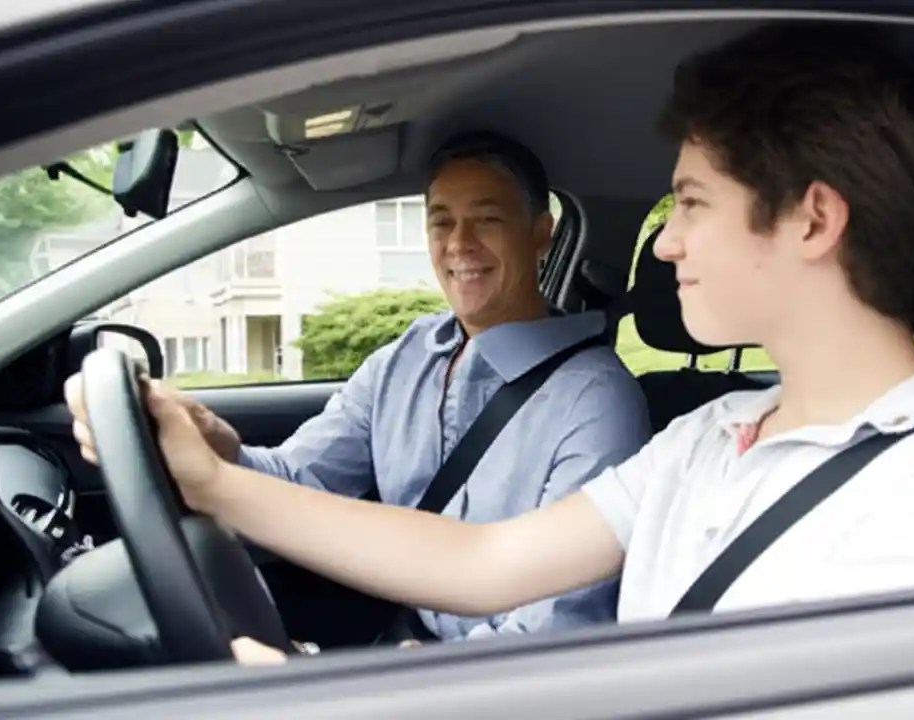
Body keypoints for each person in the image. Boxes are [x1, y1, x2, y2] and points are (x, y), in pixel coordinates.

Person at [66, 23, 914, 664]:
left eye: (690, 203)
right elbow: (486, 562)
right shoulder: (717, 431)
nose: (664, 242)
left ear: (809, 221)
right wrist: (213, 481)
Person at [83, 131, 653, 643]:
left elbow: (559, 627)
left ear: (540, 235)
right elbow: (301, 480)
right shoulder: (406, 356)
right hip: (401, 633)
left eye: (487, 219)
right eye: (440, 221)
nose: (458, 243)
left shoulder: (596, 400)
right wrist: (218, 444)